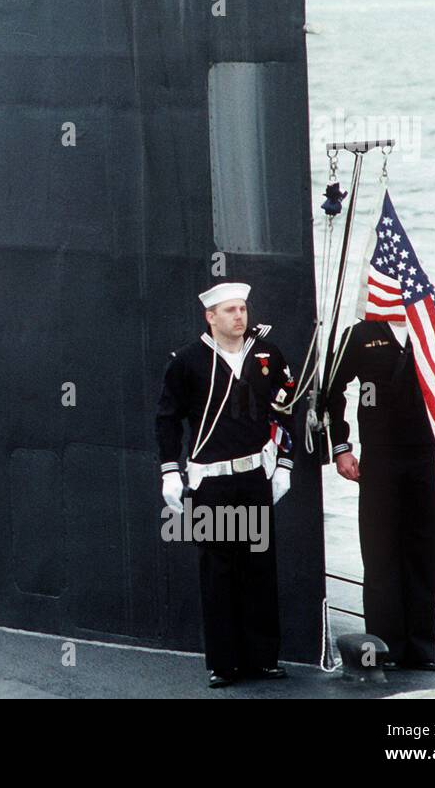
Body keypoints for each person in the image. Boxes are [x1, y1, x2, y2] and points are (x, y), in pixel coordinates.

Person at [155, 282, 297, 689]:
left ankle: (263, 657)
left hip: (254, 476)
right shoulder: (187, 361)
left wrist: (284, 464)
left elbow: (285, 405)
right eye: (230, 310)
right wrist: (169, 471)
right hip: (212, 481)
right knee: (218, 573)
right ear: (211, 316)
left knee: (258, 567)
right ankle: (225, 662)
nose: (240, 316)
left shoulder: (266, 355)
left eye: (243, 309)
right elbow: (167, 417)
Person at [324, 316, 435, 671]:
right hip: (380, 455)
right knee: (380, 552)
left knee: (422, 551)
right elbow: (332, 390)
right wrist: (341, 447)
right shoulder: (360, 335)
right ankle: (385, 646)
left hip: (423, 453)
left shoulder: (431, 330)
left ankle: (422, 648)